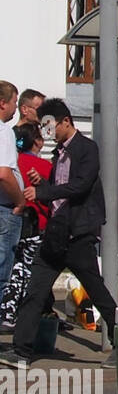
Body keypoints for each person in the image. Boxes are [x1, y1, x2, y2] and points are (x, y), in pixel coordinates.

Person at [4, 99, 117, 366]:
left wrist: (43, 190)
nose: (47, 132)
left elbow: (79, 187)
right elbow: (58, 195)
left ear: (65, 121)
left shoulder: (86, 149)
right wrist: (42, 184)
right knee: (35, 290)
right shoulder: (58, 155)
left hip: (78, 235)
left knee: (97, 291)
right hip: (55, 235)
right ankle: (21, 351)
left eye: (49, 125)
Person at [0, 122, 52, 331]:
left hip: (14, 217)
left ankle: (7, 312)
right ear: (37, 142)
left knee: (11, 269)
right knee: (25, 271)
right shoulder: (43, 167)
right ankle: (18, 314)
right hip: (31, 223)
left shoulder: (15, 161)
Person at [0, 82, 25, 296]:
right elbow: (4, 174)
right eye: (14, 102)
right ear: (2, 104)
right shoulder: (3, 132)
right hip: (4, 208)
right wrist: (20, 201)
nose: (15, 108)